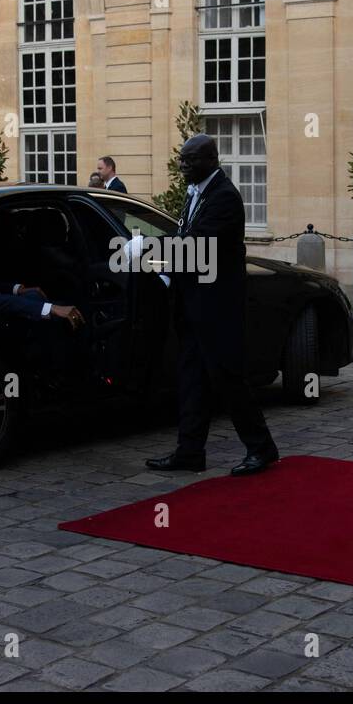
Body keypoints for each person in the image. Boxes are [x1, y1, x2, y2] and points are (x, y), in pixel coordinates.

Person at [146, 134, 278, 476]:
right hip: (194, 306)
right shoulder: (196, 193)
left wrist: (147, 251)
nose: (182, 166)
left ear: (210, 160)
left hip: (217, 309)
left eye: (189, 160)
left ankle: (261, 448)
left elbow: (196, 245)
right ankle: (190, 452)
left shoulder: (224, 197)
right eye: (181, 159)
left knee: (229, 380)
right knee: (192, 381)